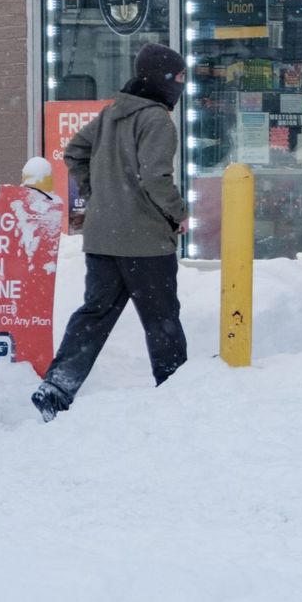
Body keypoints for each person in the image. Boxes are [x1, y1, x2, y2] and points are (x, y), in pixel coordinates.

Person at [31, 43, 190, 421]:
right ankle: (180, 391)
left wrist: (97, 194)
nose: (183, 84)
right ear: (163, 79)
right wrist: (178, 213)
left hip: (103, 239)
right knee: (162, 318)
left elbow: (73, 153)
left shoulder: (112, 113)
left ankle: (57, 387)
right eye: (180, 77)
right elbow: (156, 177)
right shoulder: (157, 121)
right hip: (146, 242)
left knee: (94, 314)